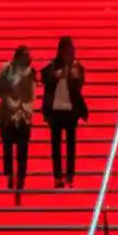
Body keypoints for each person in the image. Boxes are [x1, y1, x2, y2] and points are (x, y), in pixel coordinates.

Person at [42, 36, 88, 188]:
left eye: (72, 51)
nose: (71, 54)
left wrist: (72, 73)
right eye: (68, 51)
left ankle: (69, 176)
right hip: (55, 110)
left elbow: (79, 82)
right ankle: (57, 176)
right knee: (55, 145)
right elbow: (46, 77)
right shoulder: (53, 66)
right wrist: (59, 73)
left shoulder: (77, 67)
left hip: (71, 110)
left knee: (71, 145)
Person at [0, 46, 37, 193]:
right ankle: (9, 174)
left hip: (23, 114)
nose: (28, 59)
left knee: (23, 147)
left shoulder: (30, 73)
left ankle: (21, 176)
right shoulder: (6, 69)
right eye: (25, 56)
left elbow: (30, 95)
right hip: (7, 113)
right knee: (7, 146)